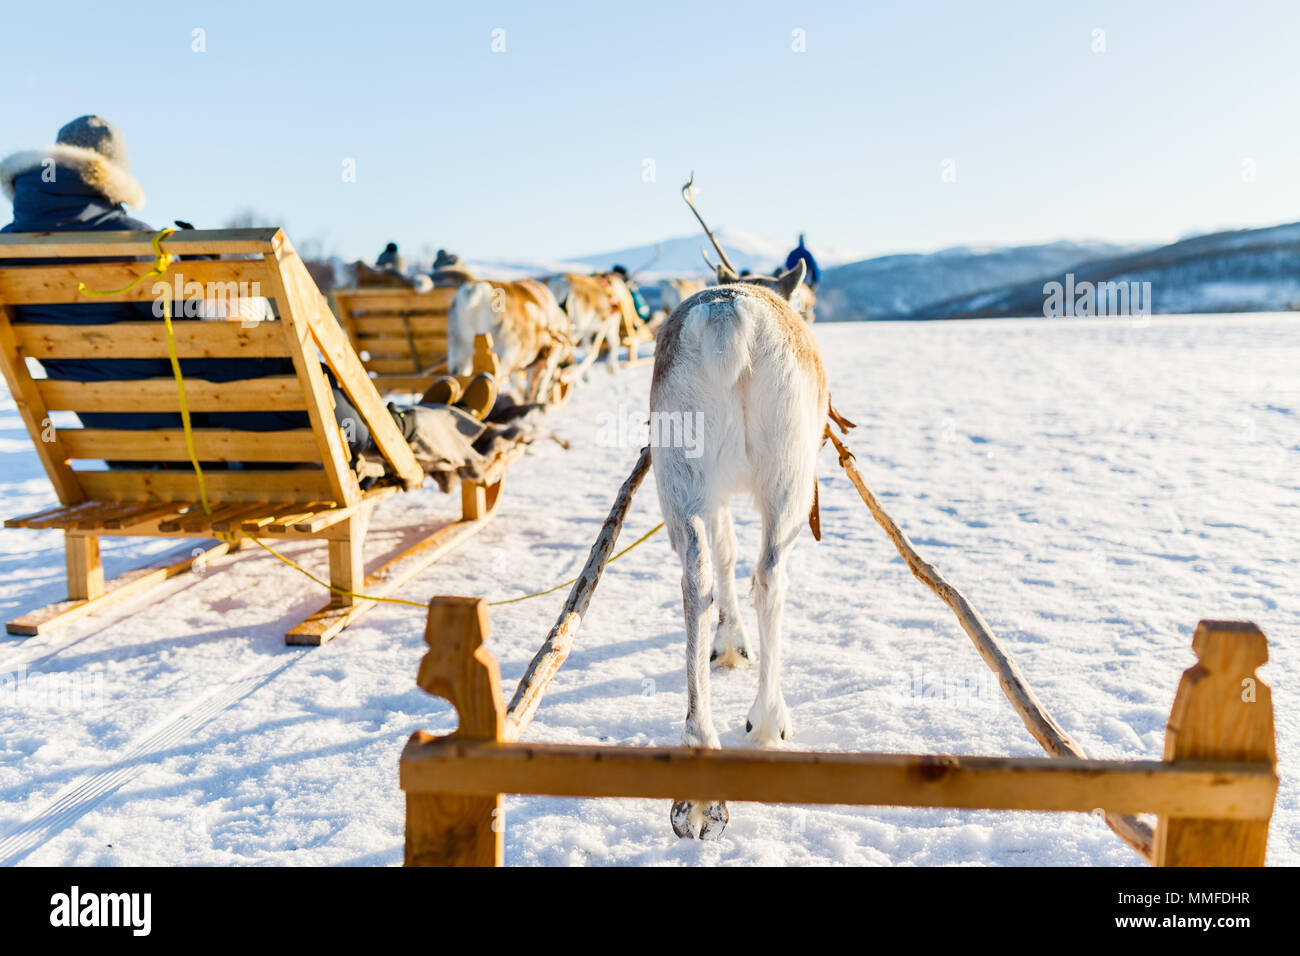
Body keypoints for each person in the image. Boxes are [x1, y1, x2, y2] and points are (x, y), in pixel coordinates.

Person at [0, 116, 523, 481]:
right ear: (112, 177)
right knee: (297, 385)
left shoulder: (9, 254)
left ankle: (425, 420)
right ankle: (445, 428)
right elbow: (222, 318)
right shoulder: (137, 245)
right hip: (213, 449)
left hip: (128, 455)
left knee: (288, 393)